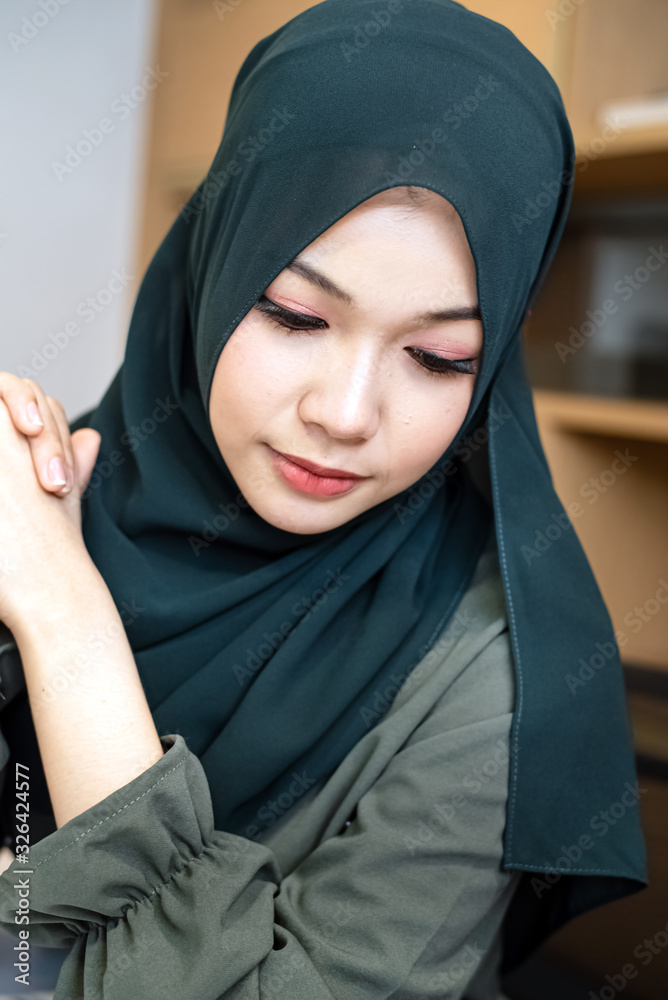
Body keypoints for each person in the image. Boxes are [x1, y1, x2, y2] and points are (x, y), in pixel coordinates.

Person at [0, 1, 647, 998]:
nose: (345, 414)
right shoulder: (40, 486)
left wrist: (67, 622)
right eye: (295, 314)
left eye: (437, 357)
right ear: (213, 267)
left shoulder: (493, 689)